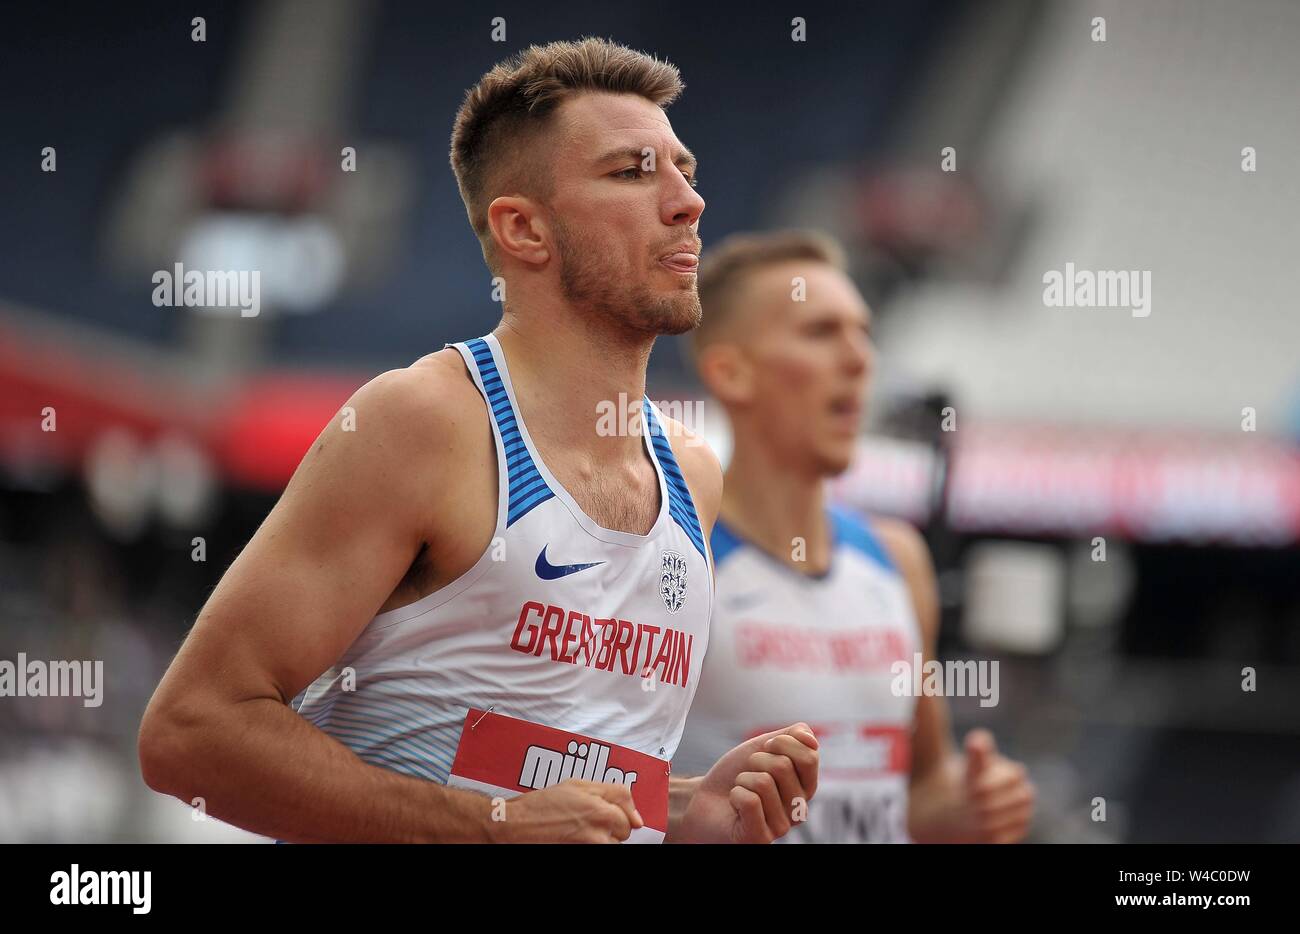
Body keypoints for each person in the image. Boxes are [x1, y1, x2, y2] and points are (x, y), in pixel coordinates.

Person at [139, 39, 818, 844]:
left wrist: (686, 806)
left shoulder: (694, 475)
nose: (687, 203)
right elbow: (190, 733)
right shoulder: (424, 424)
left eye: (685, 171)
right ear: (525, 229)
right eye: (634, 173)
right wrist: (486, 828)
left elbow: (551, 774)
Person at [675, 230, 1034, 843]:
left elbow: (919, 788)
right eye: (820, 333)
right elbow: (604, 790)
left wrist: (968, 806)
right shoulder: (682, 556)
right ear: (730, 372)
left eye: (863, 332)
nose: (860, 358)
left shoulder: (897, 559)